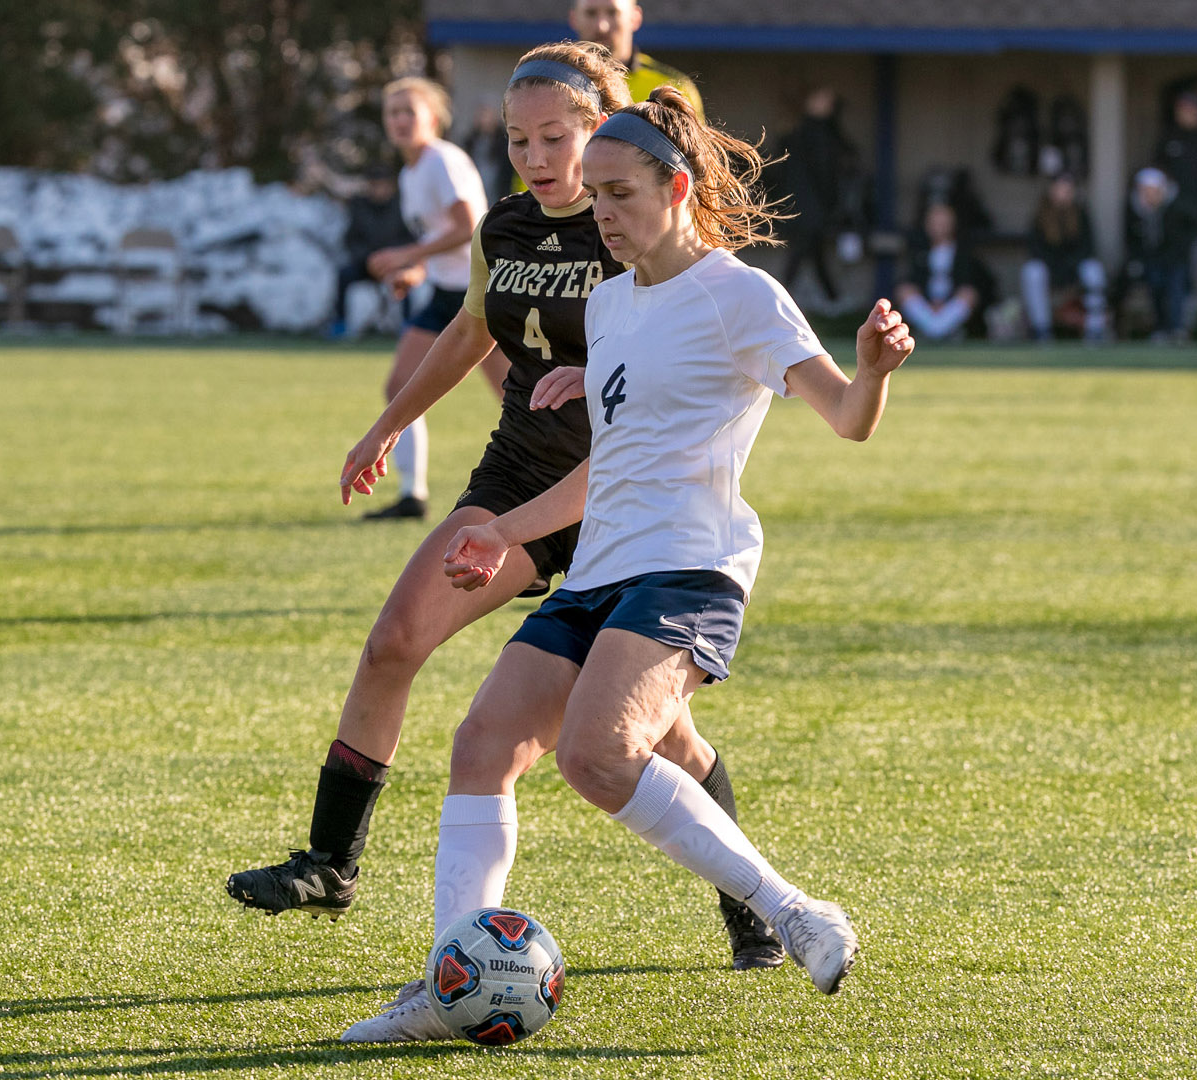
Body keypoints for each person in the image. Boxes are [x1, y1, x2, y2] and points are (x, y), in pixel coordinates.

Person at [339, 86, 914, 1043]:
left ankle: (795, 910)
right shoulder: (607, 306)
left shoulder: (742, 295)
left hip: (691, 567)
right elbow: (612, 467)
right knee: (481, 746)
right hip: (604, 566)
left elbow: (848, 420)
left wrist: (876, 371)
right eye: (594, 197)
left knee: (597, 754)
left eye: (618, 194)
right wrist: (507, 533)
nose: (599, 214)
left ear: (676, 187)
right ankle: (451, 985)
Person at [226, 43, 784, 972]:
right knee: (395, 639)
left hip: (626, 501)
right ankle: (331, 862)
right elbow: (468, 330)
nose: (532, 155)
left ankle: (753, 904)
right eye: (517, 138)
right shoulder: (508, 228)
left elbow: (703, 348)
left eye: (553, 136)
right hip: (518, 481)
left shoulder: (645, 234)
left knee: (663, 737)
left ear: (606, 127)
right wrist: (387, 427)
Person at [360, 77, 507, 521]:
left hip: (480, 293)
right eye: (393, 112)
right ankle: (412, 495)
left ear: (433, 117)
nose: (401, 120)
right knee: (400, 386)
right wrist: (416, 270)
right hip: (448, 293)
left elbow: (469, 228)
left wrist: (407, 254)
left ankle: (568, 490)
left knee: (519, 398)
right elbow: (441, 238)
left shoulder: (443, 159)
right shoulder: (411, 171)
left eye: (410, 111)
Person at [776, 87, 856, 308]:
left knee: (813, 253)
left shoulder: (829, 131)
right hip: (805, 205)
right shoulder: (802, 132)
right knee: (802, 252)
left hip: (818, 206)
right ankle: (780, 299)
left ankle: (832, 299)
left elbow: (844, 160)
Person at [1154, 90, 1197, 331]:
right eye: (1181, 110)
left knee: (1192, 272)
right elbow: (1159, 175)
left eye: (1190, 110)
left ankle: (1188, 324)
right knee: (1167, 271)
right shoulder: (1169, 139)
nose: (1185, 115)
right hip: (1170, 220)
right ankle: (1167, 323)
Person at [568, 0, 703, 117]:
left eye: (612, 12)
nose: (602, 26)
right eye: (591, 13)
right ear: (574, 19)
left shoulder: (675, 88)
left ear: (634, 17)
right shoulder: (557, 85)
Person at [1020, 173, 1107, 342]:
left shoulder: (1081, 214)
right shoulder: (1040, 216)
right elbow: (1035, 249)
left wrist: (1069, 267)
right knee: (1032, 271)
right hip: (1050, 269)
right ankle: (1042, 328)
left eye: (1068, 190)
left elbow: (1088, 248)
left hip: (1074, 269)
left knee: (1094, 269)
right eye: (1060, 189)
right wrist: (1056, 269)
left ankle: (1095, 328)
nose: (1064, 194)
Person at [329, 169, 413, 339]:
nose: (379, 190)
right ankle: (340, 324)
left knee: (405, 280)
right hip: (365, 263)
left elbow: (408, 238)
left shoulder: (402, 206)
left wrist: (392, 258)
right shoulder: (359, 207)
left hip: (394, 263)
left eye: (383, 186)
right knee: (343, 276)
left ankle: (408, 326)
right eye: (375, 186)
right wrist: (368, 259)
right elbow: (351, 239)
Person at [1121, 167, 1197, 343]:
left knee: (1176, 291)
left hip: (1176, 258)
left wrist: (1183, 251)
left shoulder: (1178, 206)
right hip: (1152, 259)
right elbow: (1131, 238)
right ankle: (1160, 328)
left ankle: (1178, 329)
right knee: (1156, 290)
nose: (1149, 195)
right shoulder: (1135, 209)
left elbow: (1192, 230)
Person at [896, 202, 993, 342]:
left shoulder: (963, 251)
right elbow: (913, 279)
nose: (938, 227)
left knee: (969, 294)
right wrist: (929, 301)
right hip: (927, 303)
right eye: (934, 223)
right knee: (904, 291)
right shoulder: (919, 249)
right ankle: (934, 330)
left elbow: (968, 281)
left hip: (950, 301)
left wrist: (945, 302)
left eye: (943, 223)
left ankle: (938, 331)